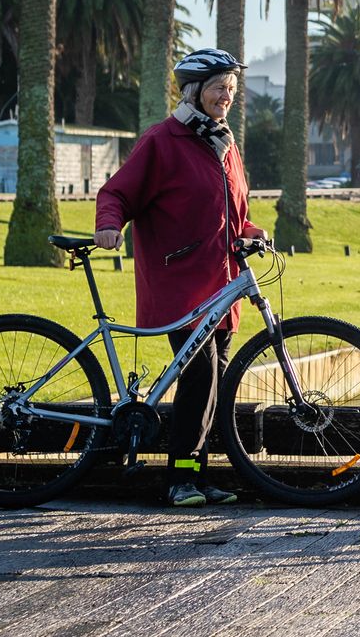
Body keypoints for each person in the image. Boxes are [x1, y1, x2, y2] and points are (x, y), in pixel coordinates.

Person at [93, 48, 267, 508]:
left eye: (231, 89)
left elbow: (235, 215)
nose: (226, 97)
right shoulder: (162, 140)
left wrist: (252, 232)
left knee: (212, 384)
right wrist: (109, 225)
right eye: (218, 88)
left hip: (222, 285)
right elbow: (116, 192)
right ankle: (178, 481)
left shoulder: (225, 145)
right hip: (181, 285)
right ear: (194, 92)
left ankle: (197, 475)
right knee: (201, 376)